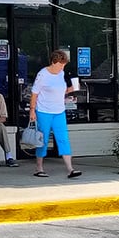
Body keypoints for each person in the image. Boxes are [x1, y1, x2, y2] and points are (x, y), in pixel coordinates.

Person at [29, 49, 81, 179]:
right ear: (54, 62)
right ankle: (39, 168)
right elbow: (34, 93)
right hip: (44, 111)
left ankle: (70, 169)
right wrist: (32, 110)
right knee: (43, 140)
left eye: (64, 64)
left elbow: (62, 90)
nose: (62, 67)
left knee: (63, 139)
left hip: (59, 111)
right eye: (61, 64)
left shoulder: (61, 74)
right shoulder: (42, 75)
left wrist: (73, 88)